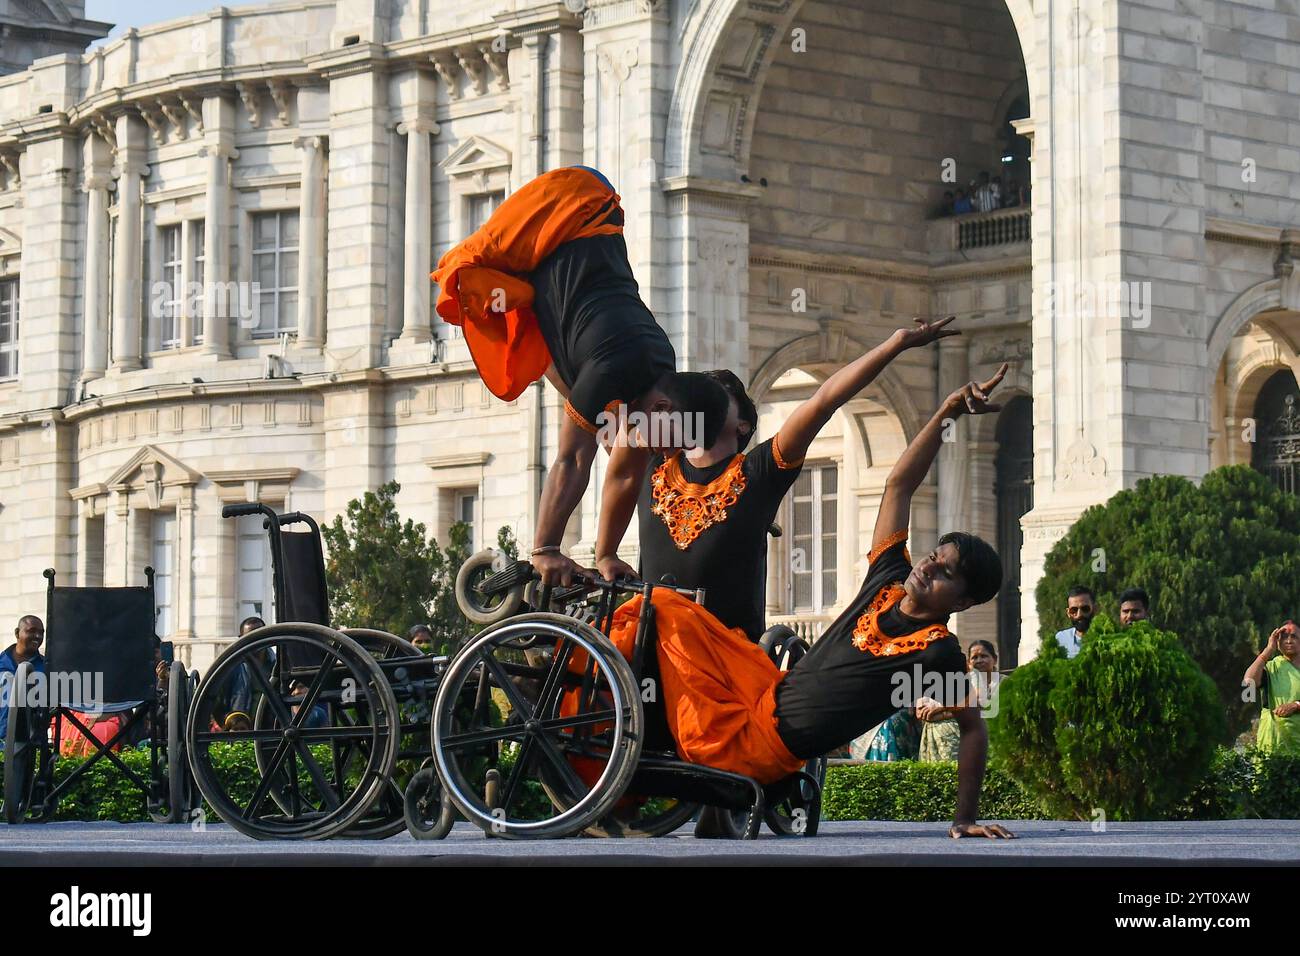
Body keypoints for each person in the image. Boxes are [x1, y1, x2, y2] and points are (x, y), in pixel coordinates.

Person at [595, 363, 1016, 837]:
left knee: (661, 606)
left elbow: (973, 728)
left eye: (946, 572)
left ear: (962, 602)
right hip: (758, 695)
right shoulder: (887, 579)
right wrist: (947, 411)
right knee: (651, 614)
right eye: (935, 555)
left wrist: (965, 819)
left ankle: (660, 778)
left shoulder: (938, 651)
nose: (929, 566)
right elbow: (899, 484)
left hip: (767, 741)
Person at [431, 165, 730, 588]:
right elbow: (572, 458)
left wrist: (605, 553)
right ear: (663, 408)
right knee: (463, 275)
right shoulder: (613, 370)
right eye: (670, 442)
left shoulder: (659, 370)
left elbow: (626, 473)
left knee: (538, 345)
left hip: (588, 249)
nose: (664, 453)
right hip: (570, 206)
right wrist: (546, 549)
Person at [596, 317, 963, 641]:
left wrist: (895, 344)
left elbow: (824, 401)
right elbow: (591, 405)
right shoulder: (654, 464)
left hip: (724, 654)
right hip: (648, 642)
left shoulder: (758, 472)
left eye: (720, 395)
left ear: (742, 424)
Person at [917, 640, 1001, 762]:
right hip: (935, 737)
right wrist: (954, 710)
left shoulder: (995, 682)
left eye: (984, 656)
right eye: (974, 657)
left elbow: (978, 705)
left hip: (965, 736)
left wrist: (940, 709)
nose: (979, 661)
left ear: (995, 659)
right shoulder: (926, 679)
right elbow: (922, 714)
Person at [1244, 621, 1300, 755]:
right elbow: (1248, 687)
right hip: (1271, 744)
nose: (1289, 640)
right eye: (1284, 636)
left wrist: (1296, 705)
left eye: (1294, 636)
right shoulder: (1270, 668)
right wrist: (1268, 650)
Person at [0, 615, 46, 743]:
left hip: (31, 746)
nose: (37, 636)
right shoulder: (1, 663)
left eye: (41, 633)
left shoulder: (47, 667)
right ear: (17, 633)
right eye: (31, 631)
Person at [1054, 585, 1096, 658]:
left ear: (1095, 609)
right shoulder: (1060, 639)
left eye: (1085, 608)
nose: (1079, 614)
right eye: (1074, 610)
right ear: (1068, 613)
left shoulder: (1107, 637)